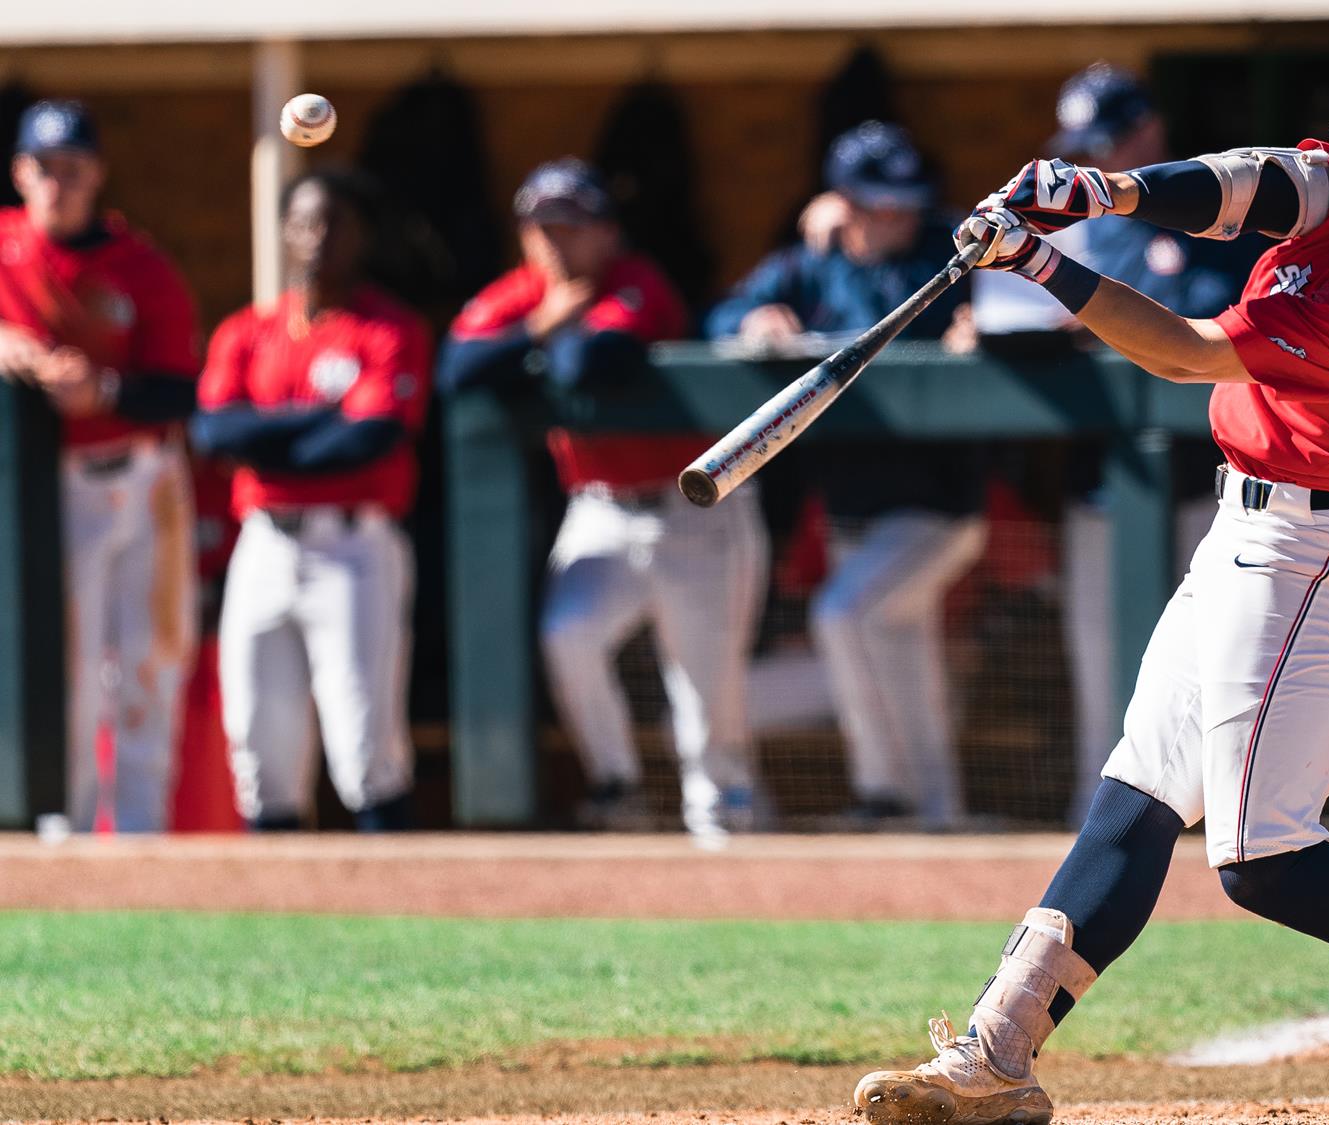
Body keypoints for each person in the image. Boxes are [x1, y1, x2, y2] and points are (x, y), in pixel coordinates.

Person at [851, 37, 1329, 1125]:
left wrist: (1041, 264)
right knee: (1135, 802)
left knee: (1264, 862)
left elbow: (1182, 352)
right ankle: (996, 1058)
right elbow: (1268, 182)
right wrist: (1103, 191)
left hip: (1322, 555)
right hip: (1249, 524)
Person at [440, 159, 770, 838]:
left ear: (607, 233)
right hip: (599, 511)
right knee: (569, 633)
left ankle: (723, 824)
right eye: (542, 229)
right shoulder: (530, 293)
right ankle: (617, 781)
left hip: (693, 509)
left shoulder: (636, 282)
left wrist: (548, 333)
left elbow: (592, 363)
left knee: (705, 688)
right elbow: (456, 368)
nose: (556, 244)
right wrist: (538, 327)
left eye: (572, 228)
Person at [976, 62, 1262, 827]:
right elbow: (1004, 308)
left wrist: (1098, 320)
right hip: (1100, 478)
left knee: (1215, 666)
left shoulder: (1206, 211)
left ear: (1149, 133)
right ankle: (1100, 819)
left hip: (1199, 481)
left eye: (1108, 142)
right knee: (1101, 658)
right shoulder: (1067, 223)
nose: (1094, 160)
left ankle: (1220, 818)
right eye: (1083, 146)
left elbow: (1218, 329)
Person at [708, 121, 984, 831]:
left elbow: (1008, 271)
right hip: (850, 508)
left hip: (939, 506)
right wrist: (755, 320)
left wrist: (980, 327)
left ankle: (883, 793)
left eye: (903, 202)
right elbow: (724, 313)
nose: (895, 216)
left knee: (843, 613)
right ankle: (936, 811)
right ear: (845, 201)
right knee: (901, 653)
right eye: (877, 203)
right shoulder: (810, 263)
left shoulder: (941, 249)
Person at [190, 170, 431, 831]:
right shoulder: (248, 329)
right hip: (264, 542)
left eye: (335, 222)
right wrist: (320, 419)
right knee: (258, 743)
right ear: (286, 233)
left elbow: (370, 439)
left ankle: (396, 916)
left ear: (361, 235)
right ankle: (280, 916)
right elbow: (213, 430)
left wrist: (266, 436)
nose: (319, 237)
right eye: (305, 222)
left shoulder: (388, 327)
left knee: (364, 745)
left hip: (352, 544)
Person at [0, 99, 200, 832]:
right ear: (21, 172)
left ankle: (143, 831)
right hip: (49, 487)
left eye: (73, 168)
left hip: (144, 477)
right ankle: (72, 826)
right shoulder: (4, 247)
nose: (59, 183)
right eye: (45, 168)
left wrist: (104, 389)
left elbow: (182, 388)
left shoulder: (138, 264)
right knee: (70, 664)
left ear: (97, 175)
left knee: (151, 657)